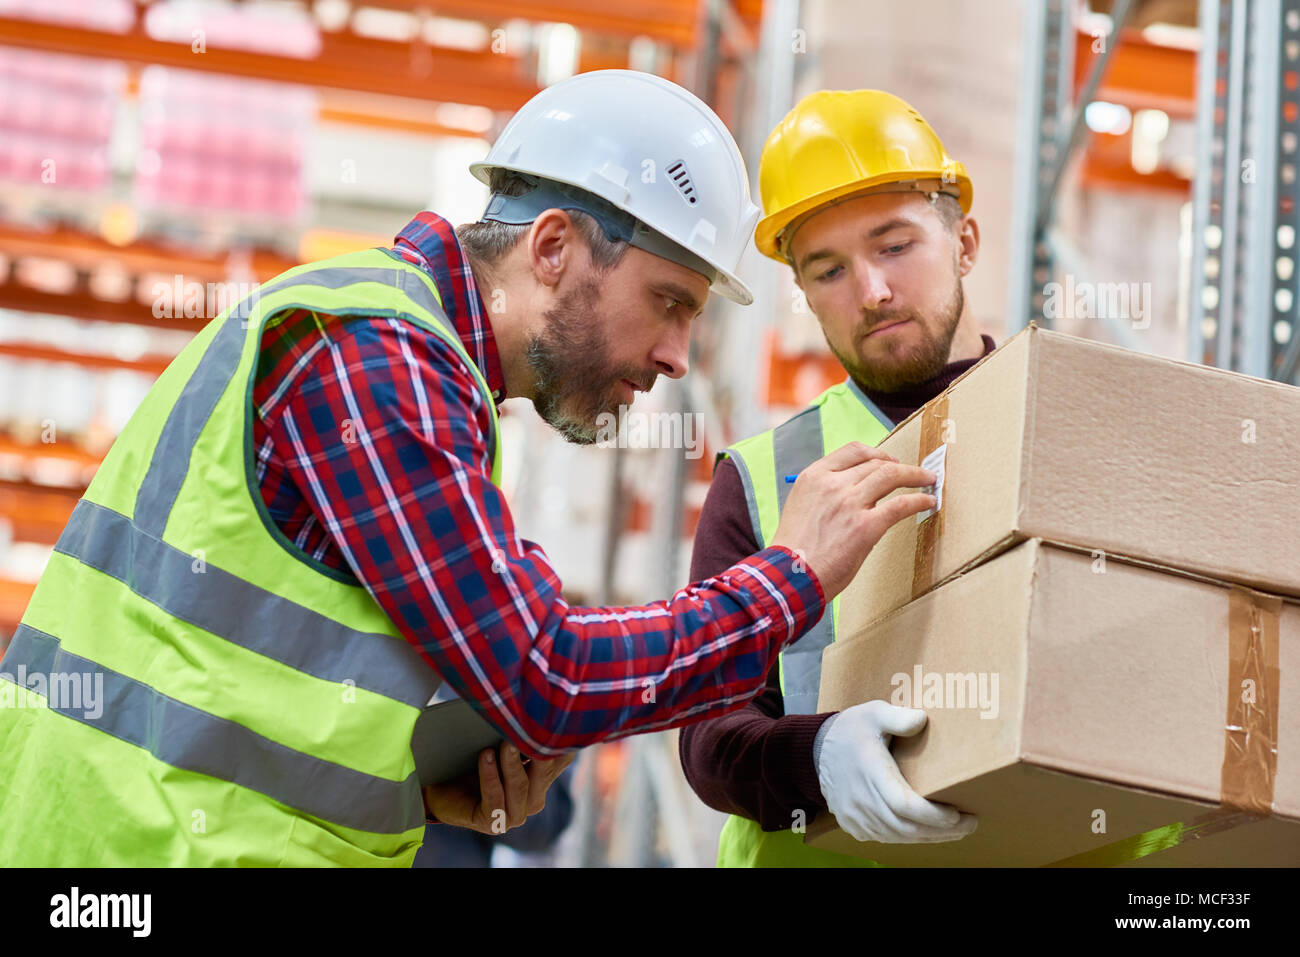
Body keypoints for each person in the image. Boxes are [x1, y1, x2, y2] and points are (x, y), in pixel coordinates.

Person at [0, 72, 938, 867]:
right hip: (131, 846)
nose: (676, 355)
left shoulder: (427, 377)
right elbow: (551, 673)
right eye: (667, 302)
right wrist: (789, 580)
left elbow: (254, 681)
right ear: (555, 248)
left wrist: (423, 781)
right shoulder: (373, 353)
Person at [679, 90, 989, 867]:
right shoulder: (760, 478)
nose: (872, 292)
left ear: (966, 244)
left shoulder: (1058, 422)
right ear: (807, 295)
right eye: (829, 270)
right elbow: (707, 735)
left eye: (894, 246)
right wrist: (815, 756)